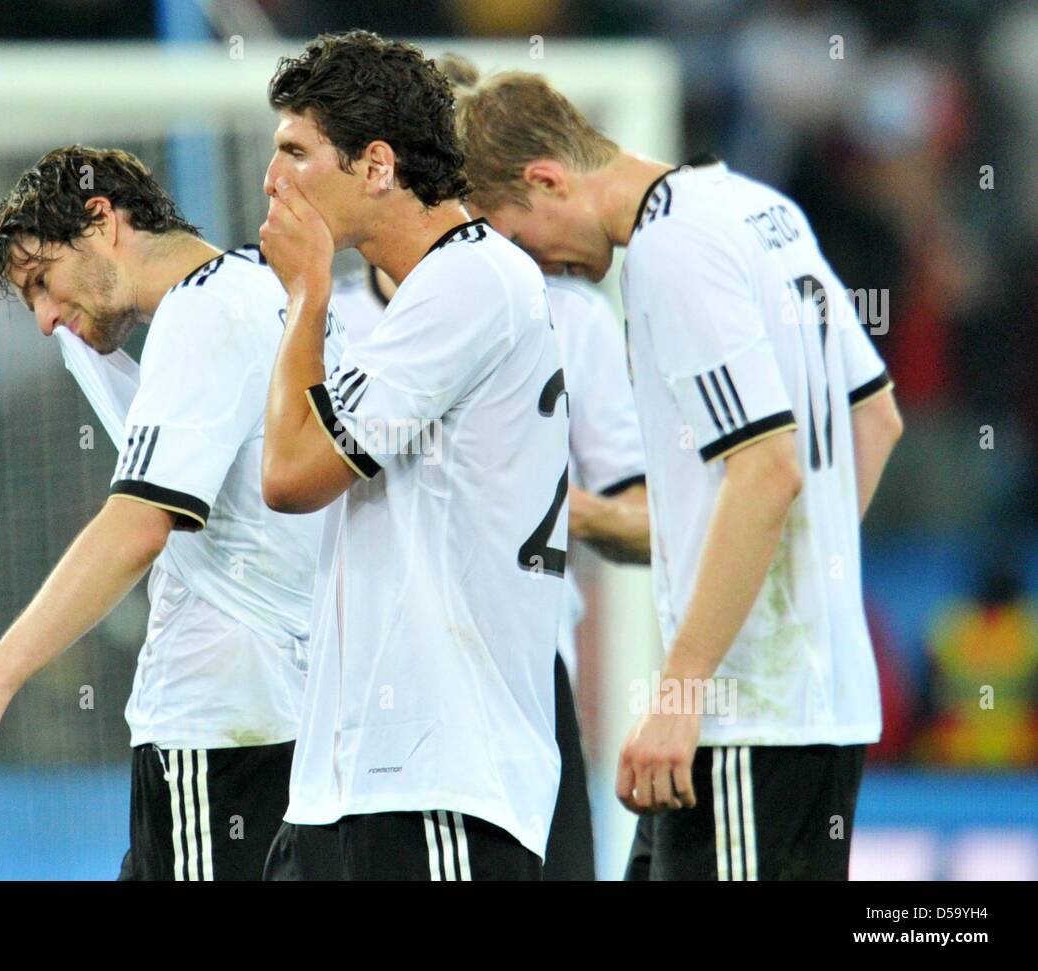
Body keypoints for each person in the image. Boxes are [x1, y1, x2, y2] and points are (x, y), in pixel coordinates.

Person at [453, 72, 903, 880]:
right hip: (808, 702)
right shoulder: (761, 211)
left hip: (746, 712)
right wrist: (807, 583)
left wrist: (683, 683)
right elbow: (877, 418)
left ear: (546, 179)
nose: (537, 269)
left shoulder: (672, 250)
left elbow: (767, 469)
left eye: (517, 240)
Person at [0, 146, 341, 880]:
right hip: (292, 720)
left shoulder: (205, 315)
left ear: (100, 220)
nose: (42, 319)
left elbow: (136, 526)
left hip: (218, 734)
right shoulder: (266, 294)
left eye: (41, 282)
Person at [257, 30, 568, 880]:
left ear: (378, 165)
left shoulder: (473, 283)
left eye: (296, 153)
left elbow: (290, 476)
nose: (272, 182)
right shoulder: (436, 295)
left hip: (434, 789)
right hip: (349, 786)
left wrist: (306, 296)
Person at [331, 260, 649, 882]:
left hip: (518, 691)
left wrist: (540, 498)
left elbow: (647, 521)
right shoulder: (322, 316)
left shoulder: (563, 312)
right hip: (352, 692)